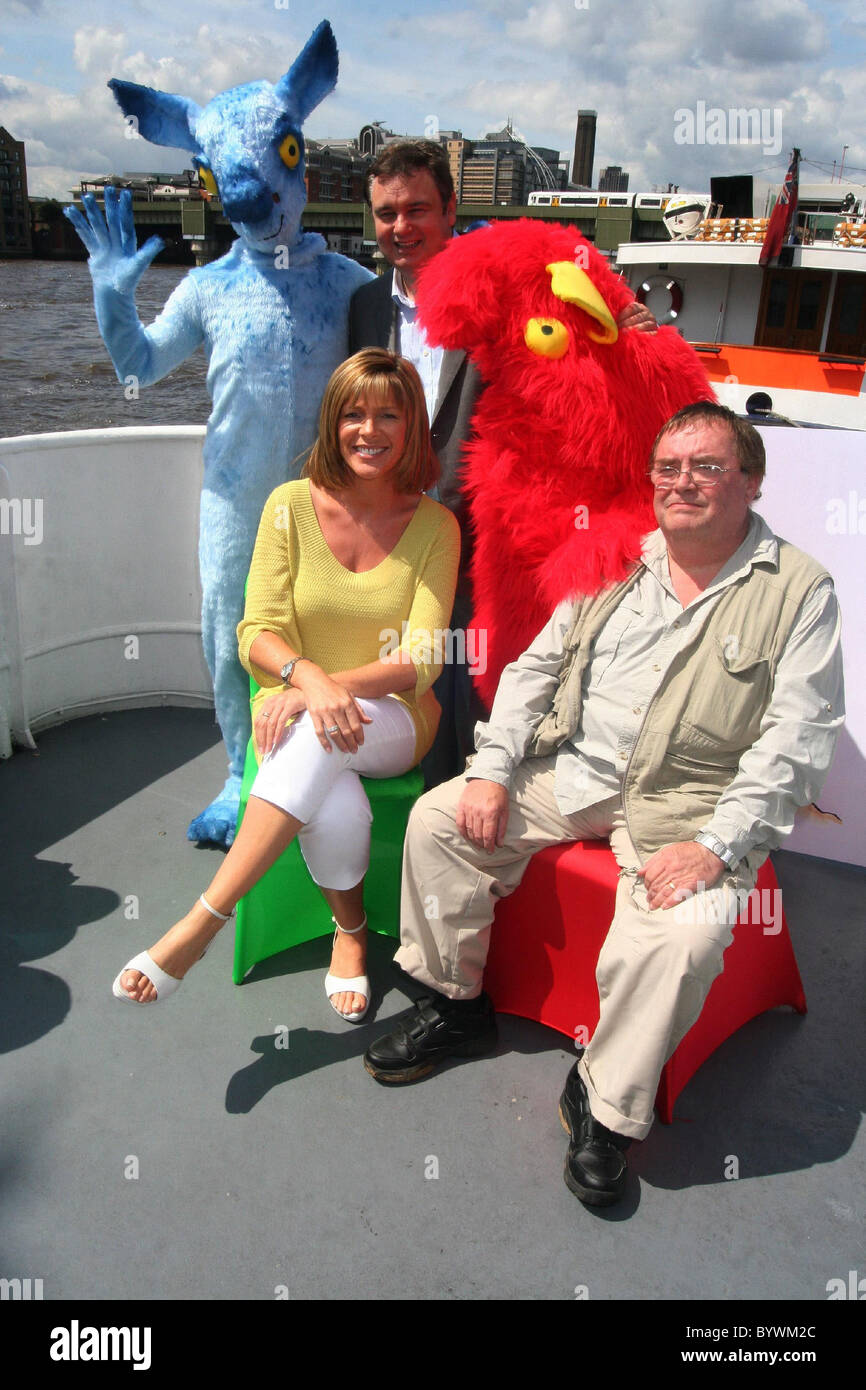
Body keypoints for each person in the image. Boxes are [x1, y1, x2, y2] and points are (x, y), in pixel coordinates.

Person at [363, 401, 844, 1206]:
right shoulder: (618, 561)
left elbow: (797, 741)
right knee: (439, 821)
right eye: (668, 468)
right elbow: (534, 672)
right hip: (578, 773)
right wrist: (490, 770)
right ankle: (457, 1003)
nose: (682, 482)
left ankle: (604, 1103)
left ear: (751, 482)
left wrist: (718, 848)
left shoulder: (799, 591)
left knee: (686, 937)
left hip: (692, 803)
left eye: (708, 467)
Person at [112, 350, 460, 1021]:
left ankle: (200, 924)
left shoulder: (436, 527)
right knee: (337, 803)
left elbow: (423, 658)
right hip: (304, 709)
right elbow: (256, 632)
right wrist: (306, 679)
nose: (369, 429)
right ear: (332, 424)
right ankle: (352, 934)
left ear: (412, 426)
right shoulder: (289, 507)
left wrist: (318, 688)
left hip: (397, 716)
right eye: (353, 413)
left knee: (316, 734)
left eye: (388, 414)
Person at [348, 140, 656, 784]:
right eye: (386, 214)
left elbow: (577, 320)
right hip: (393, 534)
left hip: (481, 532)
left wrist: (629, 327)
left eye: (416, 210)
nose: (401, 228)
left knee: (479, 690)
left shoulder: (507, 284)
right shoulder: (364, 306)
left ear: (451, 210)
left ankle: (474, 819)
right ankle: (417, 824)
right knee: (406, 677)